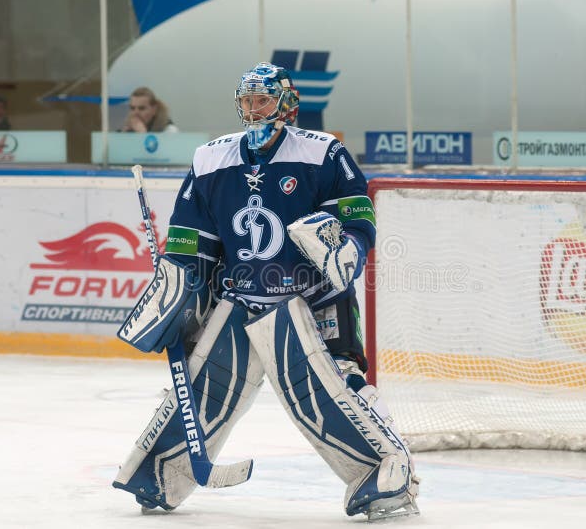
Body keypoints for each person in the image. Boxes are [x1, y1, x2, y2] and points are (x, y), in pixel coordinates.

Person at [113, 62, 420, 520]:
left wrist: (350, 247)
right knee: (202, 388)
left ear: (285, 104)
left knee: (337, 388)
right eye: (247, 101)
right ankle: (160, 473)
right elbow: (193, 241)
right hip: (241, 296)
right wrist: (179, 293)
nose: (255, 110)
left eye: (264, 100)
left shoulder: (322, 152)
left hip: (314, 298)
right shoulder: (211, 158)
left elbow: (356, 216)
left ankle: (389, 476)